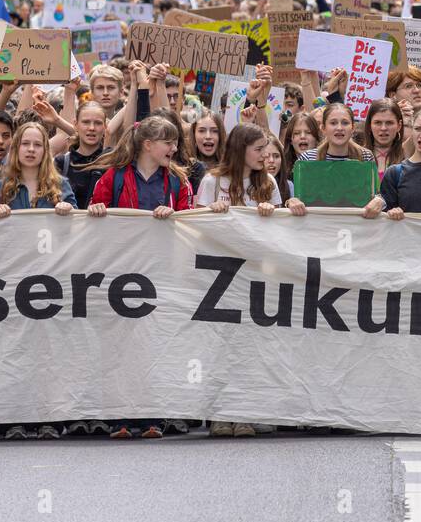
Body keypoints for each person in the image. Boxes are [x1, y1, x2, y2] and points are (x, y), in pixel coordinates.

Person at [85, 116, 194, 439]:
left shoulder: (177, 181)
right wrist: (96, 211)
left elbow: (191, 223)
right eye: (168, 142)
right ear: (148, 145)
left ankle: (152, 416)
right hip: (121, 274)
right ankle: (119, 417)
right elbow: (93, 213)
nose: (174, 148)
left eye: (175, 142)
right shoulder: (113, 177)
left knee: (154, 344)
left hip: (160, 274)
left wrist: (174, 217)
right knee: (120, 345)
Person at [198, 123, 303, 438]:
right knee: (220, 344)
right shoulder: (213, 181)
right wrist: (210, 214)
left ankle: (244, 410)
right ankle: (217, 412)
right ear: (241, 148)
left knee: (251, 346)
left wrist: (277, 211)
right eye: (258, 149)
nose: (264, 156)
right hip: (220, 275)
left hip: (256, 274)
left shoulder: (267, 182)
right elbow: (194, 229)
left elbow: (279, 233)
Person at [0, 121, 77, 441]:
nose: (32, 150)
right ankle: (15, 416)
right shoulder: (1, 188)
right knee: (15, 350)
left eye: (38, 145)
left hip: (51, 282)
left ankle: (48, 416)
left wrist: (68, 213)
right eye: (26, 144)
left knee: (50, 351)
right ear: (16, 149)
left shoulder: (60, 185)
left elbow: (82, 235)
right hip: (13, 281)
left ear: (45, 150)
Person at [364, 98, 406, 179]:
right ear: (369, 125)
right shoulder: (358, 154)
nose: (383, 128)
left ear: (399, 126)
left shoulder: (406, 151)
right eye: (378, 123)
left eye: (389, 123)